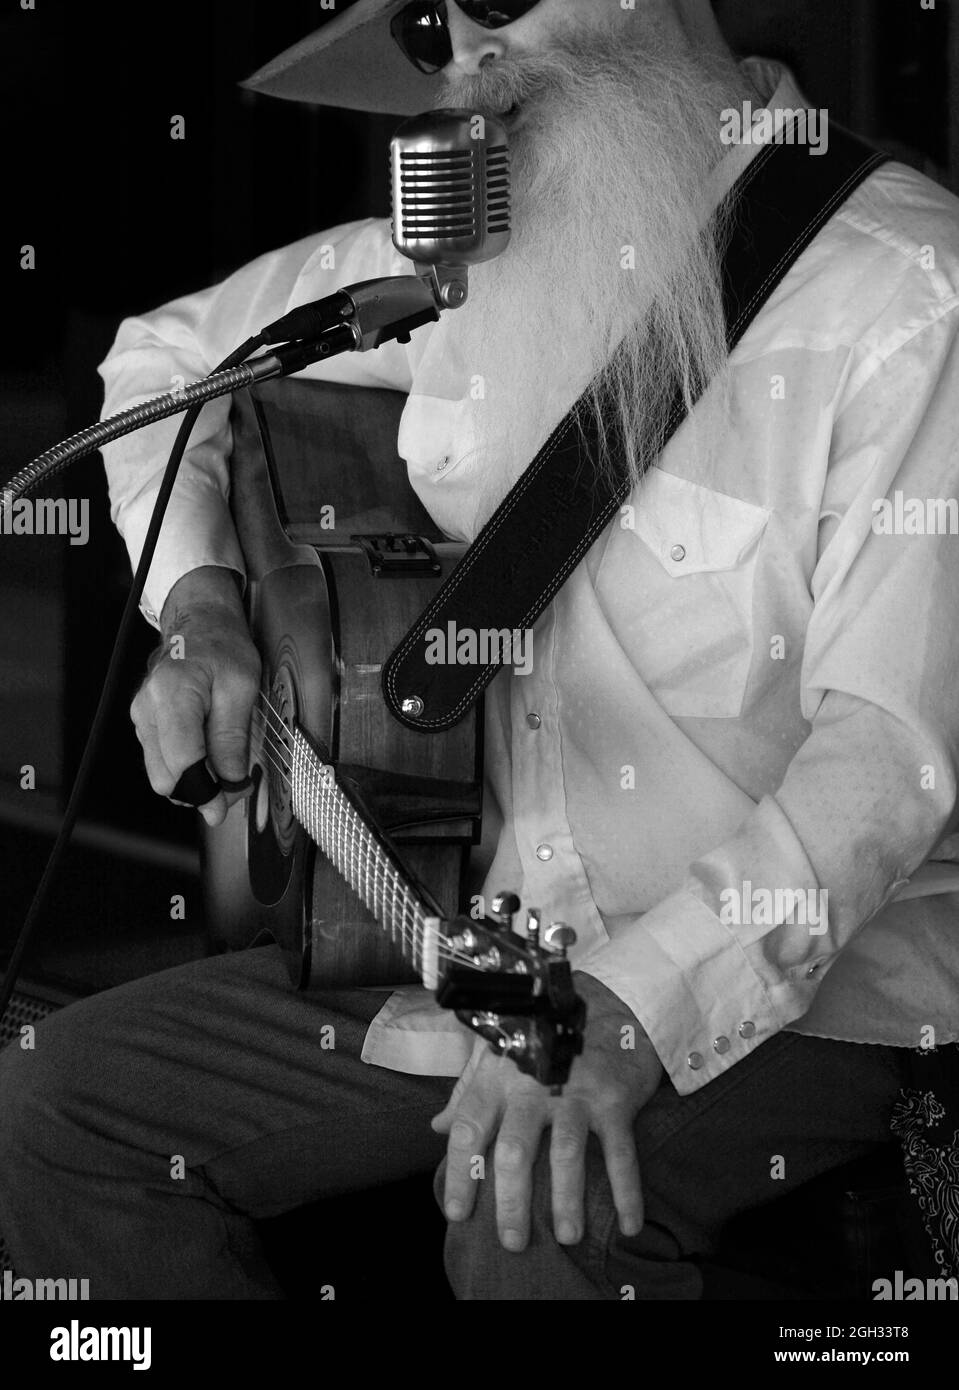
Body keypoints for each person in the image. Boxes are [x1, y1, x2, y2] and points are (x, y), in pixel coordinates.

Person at [2, 0, 959, 1301]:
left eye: (495, 0)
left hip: (808, 998)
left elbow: (887, 761)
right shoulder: (469, 268)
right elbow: (163, 360)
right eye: (423, 27)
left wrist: (627, 1008)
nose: (461, 56)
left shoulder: (907, 292)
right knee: (60, 1107)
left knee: (528, 1232)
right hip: (493, 953)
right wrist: (201, 610)